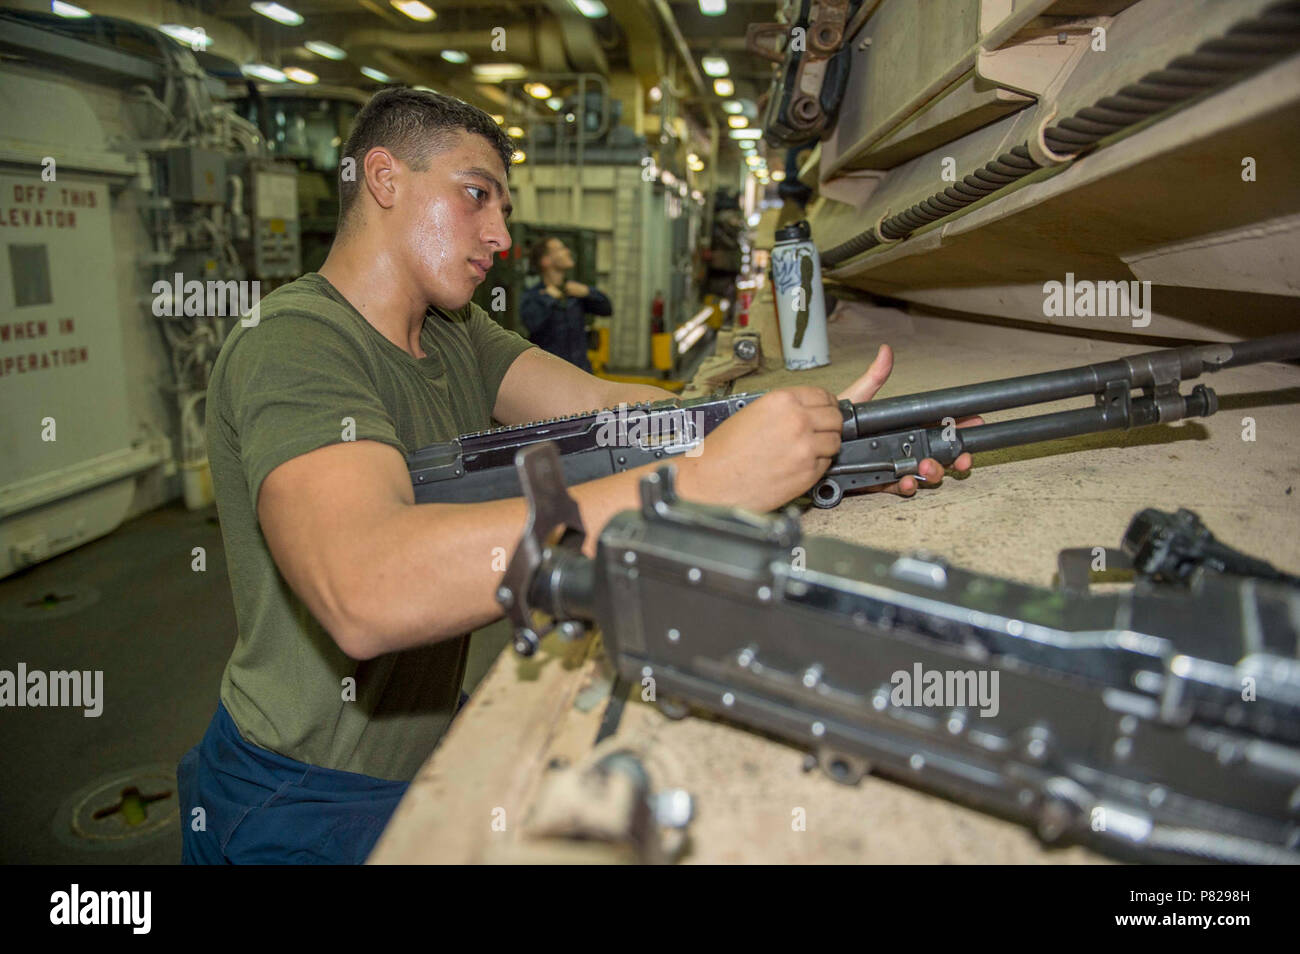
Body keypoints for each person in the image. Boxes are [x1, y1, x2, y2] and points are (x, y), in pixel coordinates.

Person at [176, 86, 976, 865]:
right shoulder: (293, 345)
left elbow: (604, 407)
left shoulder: (454, 333)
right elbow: (363, 587)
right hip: (300, 793)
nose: (499, 236)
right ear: (383, 179)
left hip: (418, 739)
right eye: (475, 195)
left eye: (503, 211)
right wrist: (705, 483)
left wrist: (810, 434)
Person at [520, 237, 610, 371]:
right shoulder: (534, 296)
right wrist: (549, 299)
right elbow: (532, 323)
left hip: (580, 373)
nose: (567, 251)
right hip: (549, 376)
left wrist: (587, 292)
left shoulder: (575, 292)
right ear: (546, 261)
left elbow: (607, 309)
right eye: (561, 249)